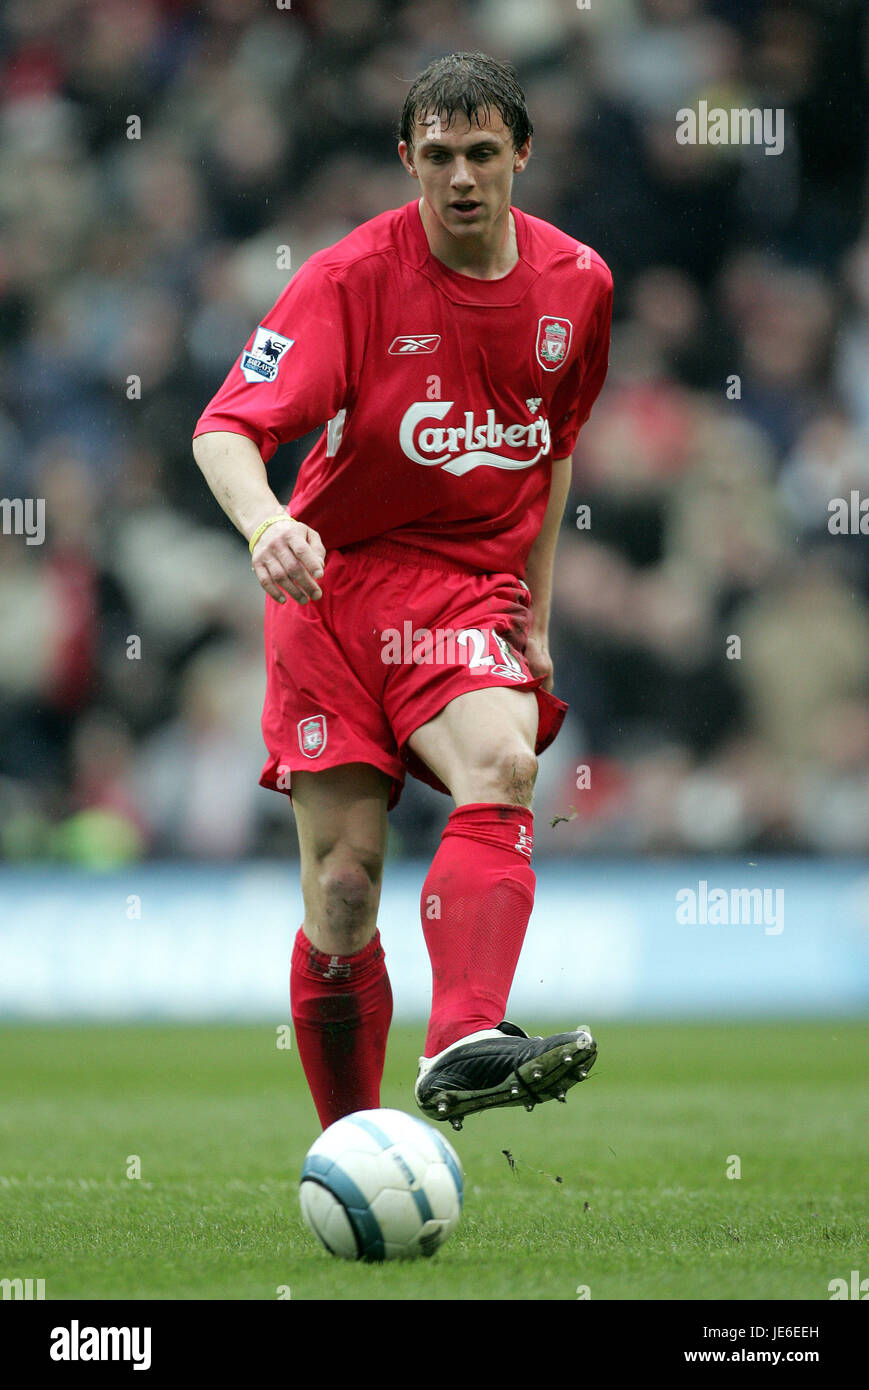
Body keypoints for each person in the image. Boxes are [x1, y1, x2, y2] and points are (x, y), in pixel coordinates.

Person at [192, 52, 612, 1132]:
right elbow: (226, 427)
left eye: (482, 153)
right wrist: (266, 521)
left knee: (505, 763)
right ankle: (351, 1141)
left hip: (468, 589)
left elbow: (550, 451)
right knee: (342, 890)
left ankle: (464, 1036)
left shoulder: (578, 289)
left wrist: (538, 611)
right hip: (332, 591)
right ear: (406, 160)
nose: (461, 178)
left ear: (521, 153)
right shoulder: (347, 279)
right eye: (437, 156)